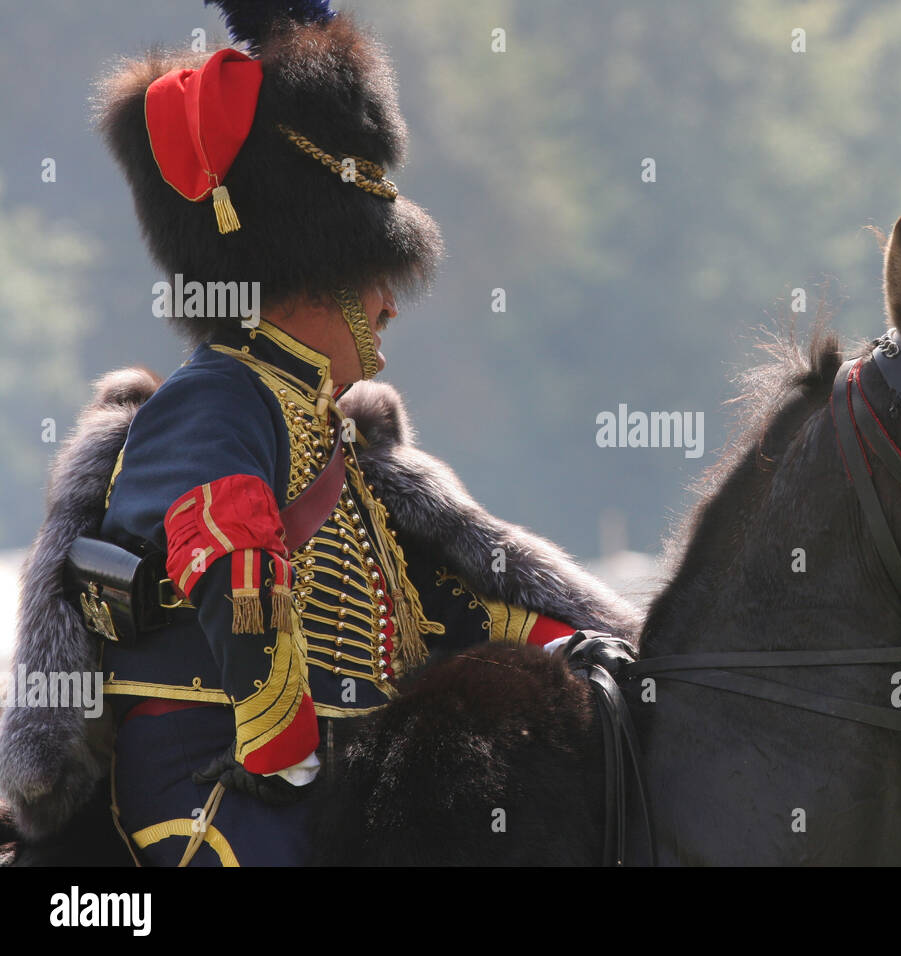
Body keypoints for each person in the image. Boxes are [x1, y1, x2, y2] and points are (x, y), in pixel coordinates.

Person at [0, 0, 638, 866]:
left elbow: (436, 606)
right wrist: (281, 745)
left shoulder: (330, 435)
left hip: (336, 790)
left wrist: (572, 650)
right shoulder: (217, 399)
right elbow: (230, 554)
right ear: (318, 273)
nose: (388, 304)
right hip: (222, 803)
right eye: (376, 275)